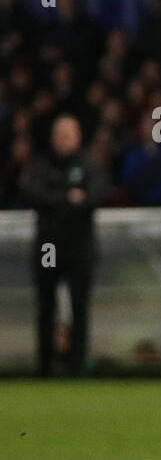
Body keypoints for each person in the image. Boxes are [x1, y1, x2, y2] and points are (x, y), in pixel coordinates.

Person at [24, 114, 104, 375]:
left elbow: (94, 197)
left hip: (79, 248)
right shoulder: (42, 165)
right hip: (48, 248)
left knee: (80, 307)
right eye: (60, 135)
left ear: (78, 137)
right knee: (45, 307)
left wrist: (57, 199)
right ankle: (44, 366)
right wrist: (68, 196)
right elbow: (34, 194)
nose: (64, 140)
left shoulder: (89, 165)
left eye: (68, 135)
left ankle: (77, 366)